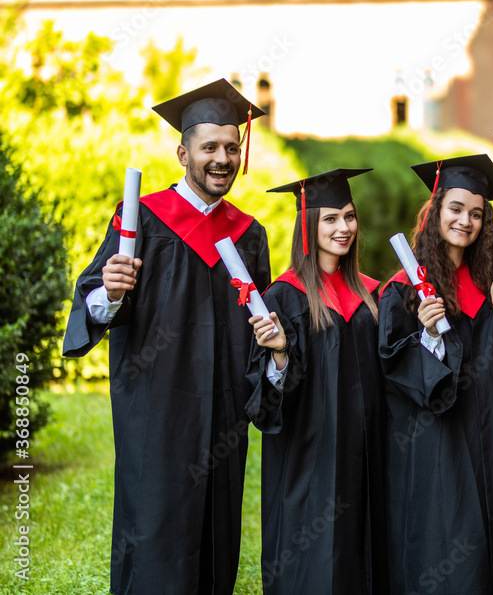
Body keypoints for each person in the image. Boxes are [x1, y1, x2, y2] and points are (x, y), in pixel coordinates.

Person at [62, 79, 269, 595]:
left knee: (216, 531)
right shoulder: (144, 220)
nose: (222, 159)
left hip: (223, 412)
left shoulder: (249, 234)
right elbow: (94, 300)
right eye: (210, 148)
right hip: (155, 410)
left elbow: (259, 328)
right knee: (153, 530)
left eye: (231, 148)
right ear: (182, 153)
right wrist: (109, 291)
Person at [378, 154, 493, 594]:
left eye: (476, 213)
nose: (465, 220)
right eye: (455, 208)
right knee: (447, 535)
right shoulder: (405, 290)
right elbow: (395, 369)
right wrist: (428, 333)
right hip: (437, 440)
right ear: (435, 211)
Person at [244, 169, 388, 594]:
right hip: (309, 456)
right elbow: (264, 396)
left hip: (368, 454)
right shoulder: (281, 298)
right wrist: (280, 352)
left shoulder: (372, 295)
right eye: (330, 219)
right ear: (307, 225)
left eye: (349, 216)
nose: (343, 228)